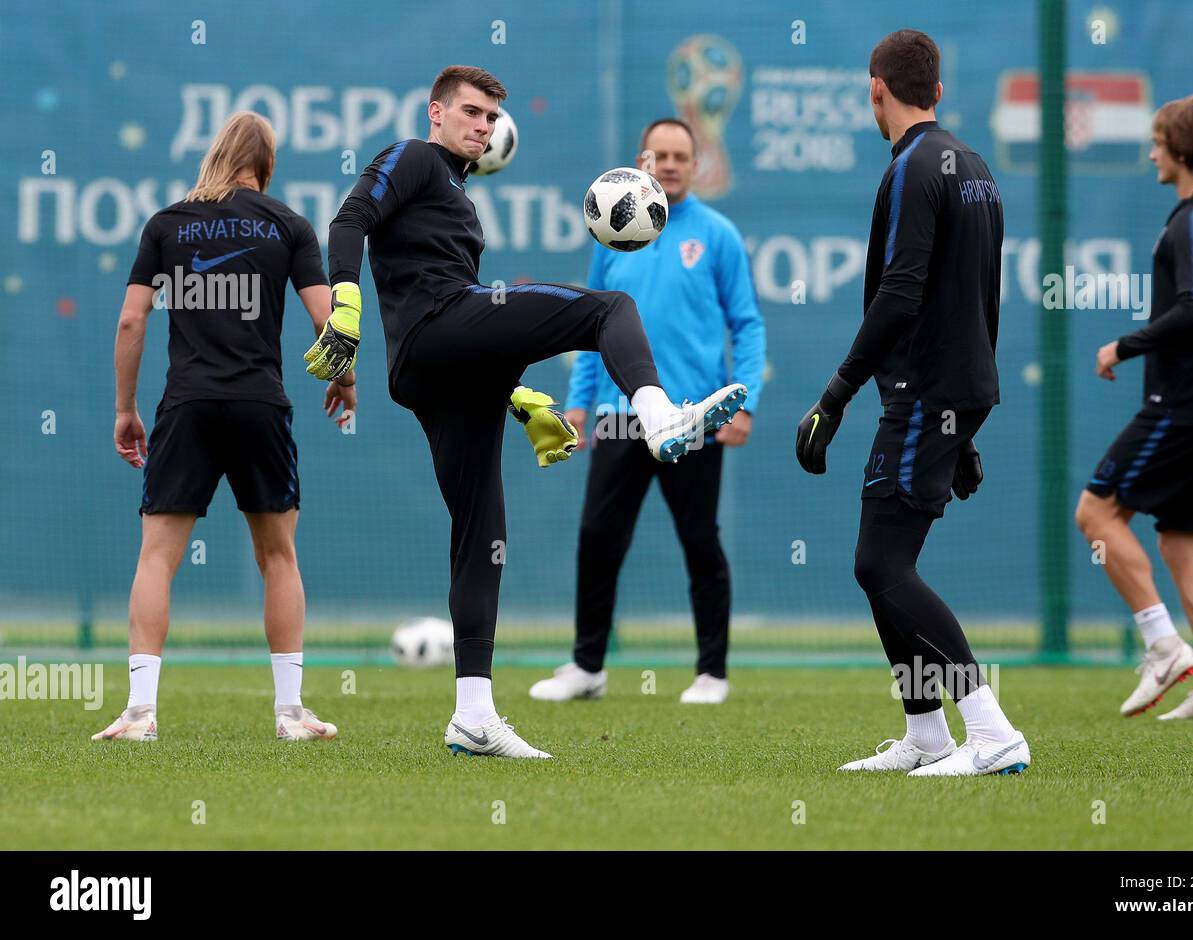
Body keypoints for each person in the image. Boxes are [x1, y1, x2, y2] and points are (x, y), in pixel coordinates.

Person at [306, 66, 746, 759]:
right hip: (437, 332)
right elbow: (349, 219)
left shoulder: (457, 191)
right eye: (471, 113)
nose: (482, 126)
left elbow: (439, 287)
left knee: (482, 536)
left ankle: (473, 716)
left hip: (442, 369)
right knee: (611, 308)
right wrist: (345, 308)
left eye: (490, 118)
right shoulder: (414, 156)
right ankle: (659, 414)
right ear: (436, 112)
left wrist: (513, 392)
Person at [794, 29, 1029, 776]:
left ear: (876, 89)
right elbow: (981, 298)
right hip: (955, 392)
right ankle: (927, 733)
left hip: (926, 391)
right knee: (883, 563)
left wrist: (835, 394)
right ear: (938, 88)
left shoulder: (911, 168)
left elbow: (901, 293)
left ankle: (990, 731)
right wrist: (965, 424)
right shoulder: (977, 168)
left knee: (882, 563)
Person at [98, 111, 350, 742]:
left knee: (157, 557)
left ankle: (139, 713)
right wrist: (343, 378)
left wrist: (126, 409)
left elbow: (132, 322)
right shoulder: (288, 225)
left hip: (185, 404)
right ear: (266, 165)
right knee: (278, 556)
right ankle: (291, 714)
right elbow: (328, 322)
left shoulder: (167, 224)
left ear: (215, 154)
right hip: (259, 404)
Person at [528, 118, 766, 706]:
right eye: (659, 154)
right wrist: (581, 405)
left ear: (694, 162)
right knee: (597, 537)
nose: (669, 164)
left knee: (699, 542)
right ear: (642, 159)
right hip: (619, 416)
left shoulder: (718, 235)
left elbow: (748, 325)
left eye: (681, 155)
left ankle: (711, 673)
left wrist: (746, 403)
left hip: (694, 419)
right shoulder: (613, 233)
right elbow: (591, 327)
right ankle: (588, 668)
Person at [1077, 94, 1193, 720]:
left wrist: (1123, 346)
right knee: (1183, 541)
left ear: (1180, 152)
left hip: (1187, 409)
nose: (1152, 151)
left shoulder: (1189, 222)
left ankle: (1162, 646)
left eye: (1158, 142)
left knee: (1096, 513)